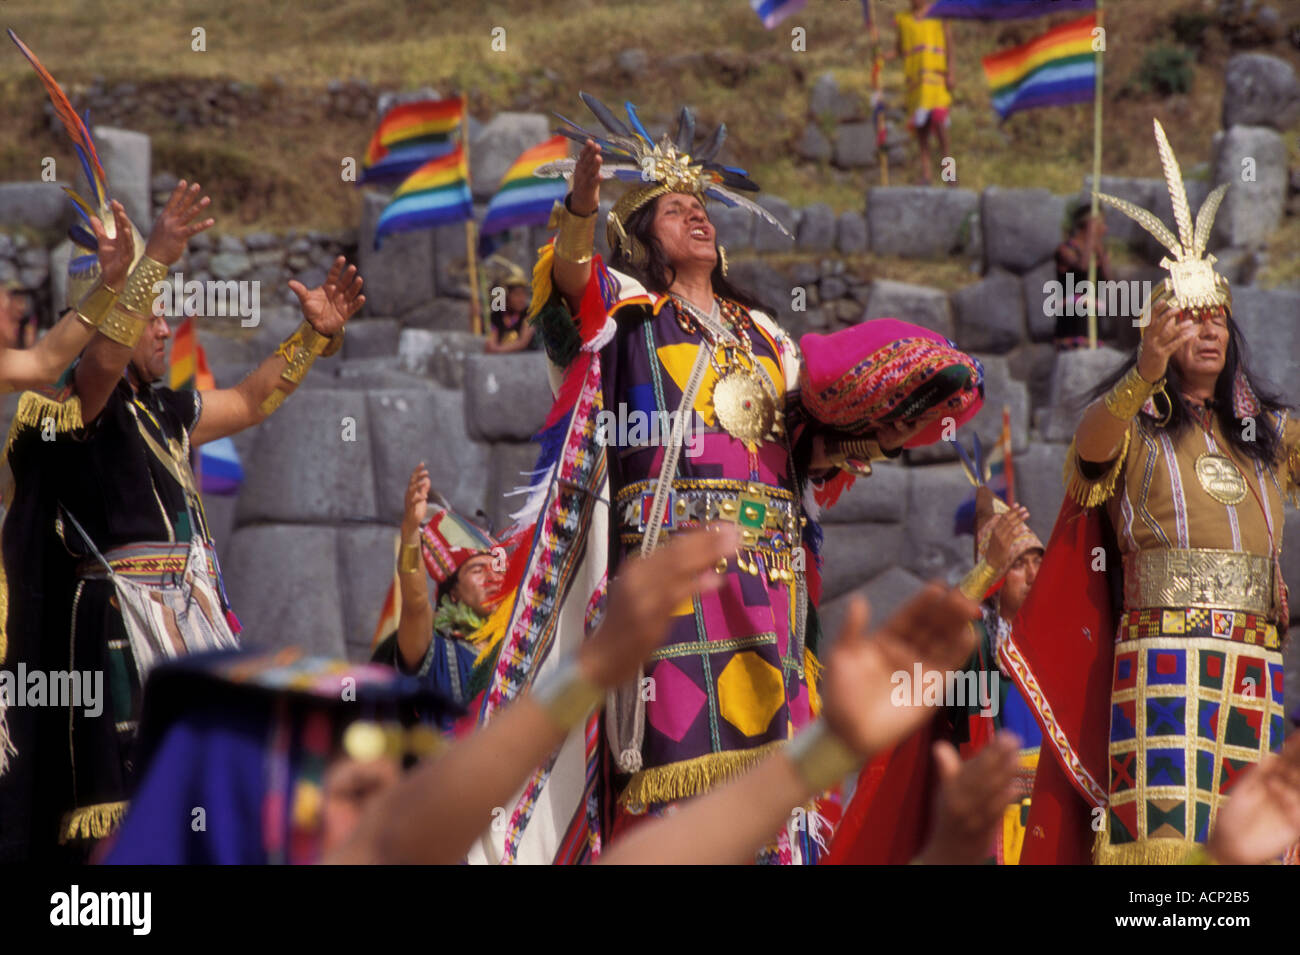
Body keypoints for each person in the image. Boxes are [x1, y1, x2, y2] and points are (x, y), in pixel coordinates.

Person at [464, 93, 985, 865]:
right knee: (678, 778)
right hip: (677, 580)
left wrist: (901, 403)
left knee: (786, 778)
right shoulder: (629, 317)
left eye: (700, 206)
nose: (697, 215)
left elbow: (817, 441)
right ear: (644, 238)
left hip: (772, 579)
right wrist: (581, 205)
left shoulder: (769, 338)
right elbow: (571, 281)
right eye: (675, 211)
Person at [0, 179, 365, 860]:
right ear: (118, 319)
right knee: (120, 806)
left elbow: (253, 401)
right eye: (152, 316)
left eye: (166, 314)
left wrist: (312, 336)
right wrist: (156, 255)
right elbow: (102, 360)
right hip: (115, 620)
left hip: (190, 615)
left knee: (210, 789)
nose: (166, 328)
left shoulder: (166, 410)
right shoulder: (80, 402)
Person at [1004, 119, 1295, 865]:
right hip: (1162, 655)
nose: (1207, 331)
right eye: (1188, 319)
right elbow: (1088, 452)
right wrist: (1141, 372)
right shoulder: (1134, 421)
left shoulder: (1265, 432)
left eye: (1217, 317)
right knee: (1164, 846)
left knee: (1252, 844)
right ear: (1158, 331)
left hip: (1252, 657)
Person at [370, 462, 504, 718]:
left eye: (497, 568)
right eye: (477, 570)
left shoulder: (521, 646)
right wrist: (410, 533)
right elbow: (416, 601)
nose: (492, 577)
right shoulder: (440, 654)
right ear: (453, 594)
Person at [893, 0, 955, 186]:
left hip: (936, 80)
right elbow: (899, 50)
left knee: (940, 125)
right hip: (916, 84)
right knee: (922, 132)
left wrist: (951, 73)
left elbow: (950, 46)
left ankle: (949, 174)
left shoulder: (939, 15)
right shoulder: (903, 19)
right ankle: (926, 175)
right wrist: (879, 55)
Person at [1053, 205, 1114, 351]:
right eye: (1101, 224)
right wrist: (1090, 238)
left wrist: (1099, 250)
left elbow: (1109, 281)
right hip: (1072, 324)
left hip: (1092, 325)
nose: (1105, 229)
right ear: (1088, 225)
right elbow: (1082, 267)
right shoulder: (1065, 250)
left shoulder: (1097, 252)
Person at [483, 256, 536, 354]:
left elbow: (523, 342)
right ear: (506, 297)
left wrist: (497, 350)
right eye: (517, 294)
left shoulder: (529, 314)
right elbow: (491, 342)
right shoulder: (496, 316)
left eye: (524, 294)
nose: (522, 299)